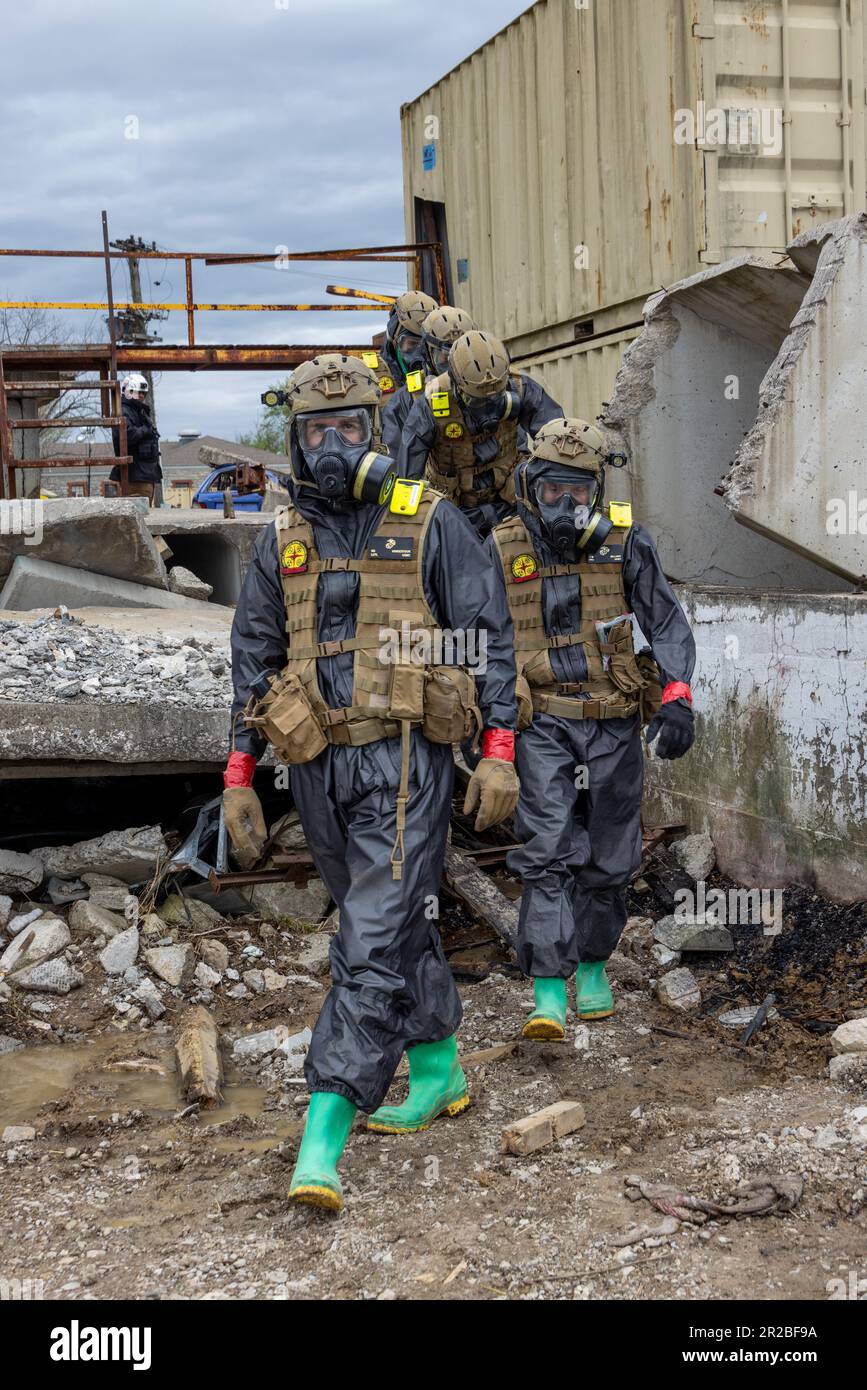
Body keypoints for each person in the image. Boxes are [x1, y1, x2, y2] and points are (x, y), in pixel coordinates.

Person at [222, 353, 519, 1212]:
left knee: (367, 934)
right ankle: (437, 1073)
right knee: (397, 924)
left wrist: (497, 748)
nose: (331, 448)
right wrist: (240, 777)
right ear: (294, 439)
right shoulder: (280, 539)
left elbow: (490, 636)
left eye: (348, 430)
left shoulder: (431, 521)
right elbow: (252, 661)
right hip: (316, 762)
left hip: (403, 766)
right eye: (316, 433)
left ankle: (322, 1130)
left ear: (376, 432)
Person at [488, 418, 696, 1039]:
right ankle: (549, 990)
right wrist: (493, 727)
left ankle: (595, 966)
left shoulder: (627, 543)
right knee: (546, 850)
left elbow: (667, 621)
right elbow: (479, 637)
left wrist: (678, 696)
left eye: (578, 492)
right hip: (543, 723)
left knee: (610, 856)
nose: (565, 505)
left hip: (612, 723)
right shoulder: (500, 547)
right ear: (531, 485)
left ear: (597, 490)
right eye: (552, 491)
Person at [398, 329, 563, 538]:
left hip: (510, 500)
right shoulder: (431, 404)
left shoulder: (521, 387)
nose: (488, 409)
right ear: (457, 385)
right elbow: (408, 476)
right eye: (476, 401)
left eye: (496, 400)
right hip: (454, 510)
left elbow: (557, 439)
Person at [380, 305, 476, 457]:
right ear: (428, 352)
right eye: (446, 353)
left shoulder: (494, 388)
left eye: (463, 352)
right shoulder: (404, 401)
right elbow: (398, 466)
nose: (455, 361)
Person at [359, 289, 439, 428]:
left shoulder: (447, 374)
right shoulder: (368, 377)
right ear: (393, 341)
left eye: (427, 345)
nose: (420, 353)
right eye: (412, 343)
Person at [109, 373, 160, 502]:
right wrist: (146, 430)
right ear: (129, 391)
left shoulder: (137, 411)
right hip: (135, 478)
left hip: (143, 476)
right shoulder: (124, 411)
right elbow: (126, 435)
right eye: (139, 392)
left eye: (143, 393)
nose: (142, 396)